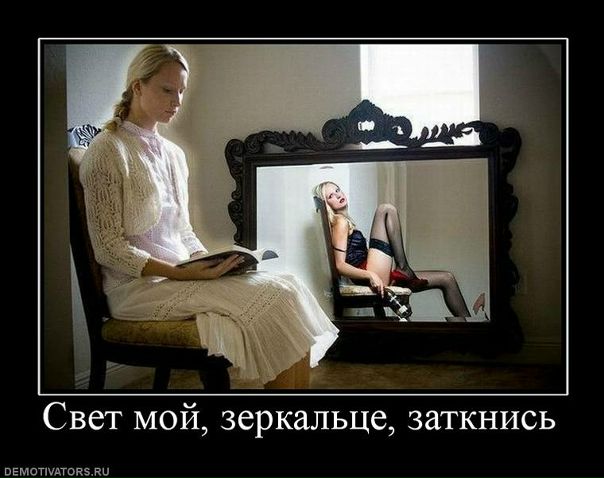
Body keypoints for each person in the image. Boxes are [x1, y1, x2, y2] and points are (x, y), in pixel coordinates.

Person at [79, 45, 338, 389]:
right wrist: (178, 273)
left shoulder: (173, 155)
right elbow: (108, 248)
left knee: (288, 285)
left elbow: (183, 231)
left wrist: (210, 263)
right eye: (167, 90)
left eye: (181, 91)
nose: (177, 101)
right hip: (137, 290)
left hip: (181, 276)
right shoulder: (107, 150)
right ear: (137, 86)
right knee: (277, 297)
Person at [313, 180, 480, 318]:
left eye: (337, 190)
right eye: (331, 196)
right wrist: (371, 275)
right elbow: (340, 265)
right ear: (327, 204)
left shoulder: (345, 221)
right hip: (369, 274)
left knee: (447, 278)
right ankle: (403, 267)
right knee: (386, 209)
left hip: (376, 272)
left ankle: (469, 330)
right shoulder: (340, 222)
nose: (338, 195)